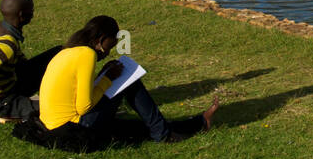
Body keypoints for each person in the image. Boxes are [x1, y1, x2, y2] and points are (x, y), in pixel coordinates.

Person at [33, 16, 218, 149]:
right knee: (130, 82)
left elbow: (78, 93)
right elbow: (84, 106)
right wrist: (108, 79)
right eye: (109, 47)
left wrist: (104, 74)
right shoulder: (87, 54)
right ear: (100, 40)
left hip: (53, 125)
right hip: (74, 129)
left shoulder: (69, 51)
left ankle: (195, 123)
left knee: (134, 127)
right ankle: (164, 135)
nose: (107, 52)